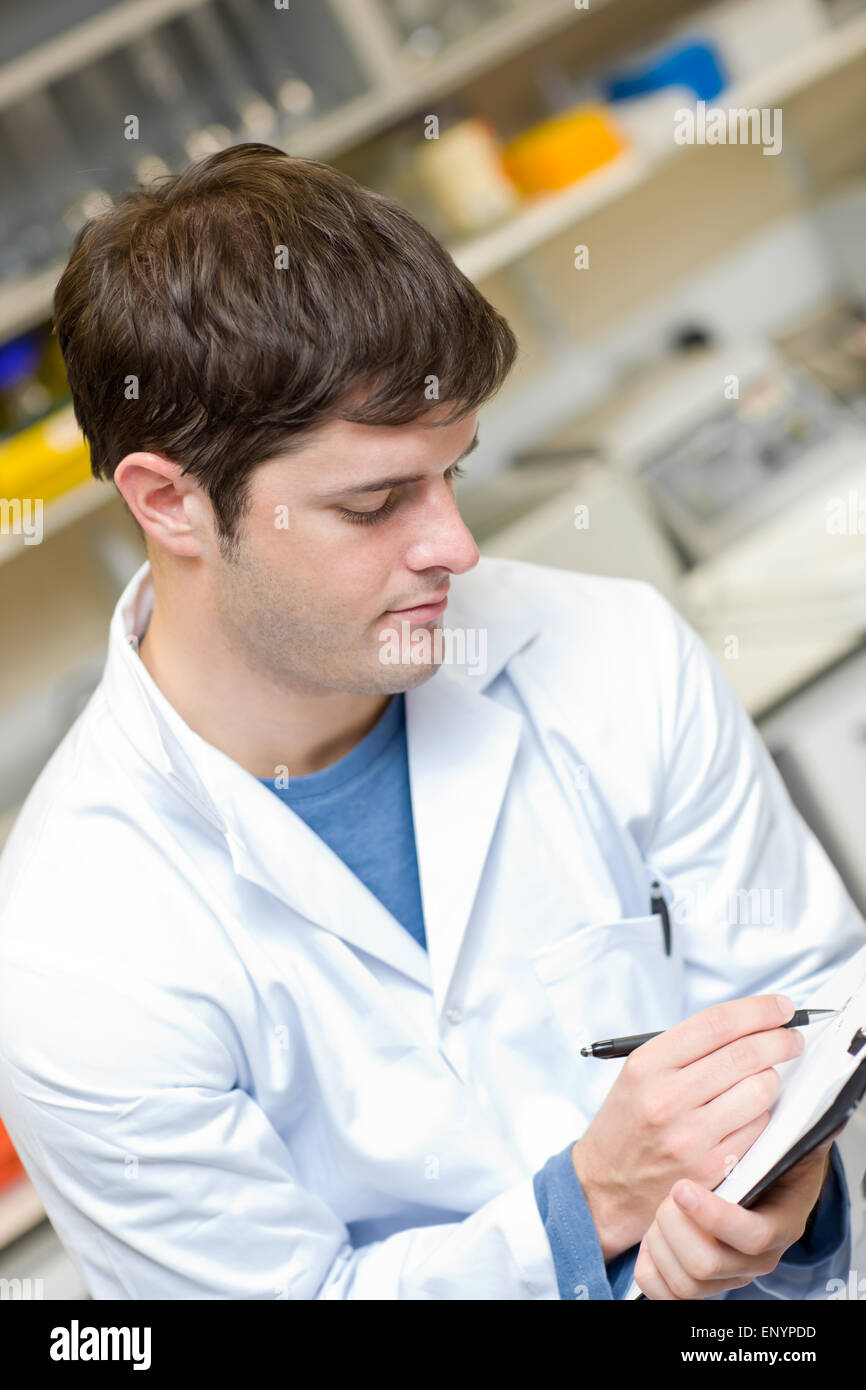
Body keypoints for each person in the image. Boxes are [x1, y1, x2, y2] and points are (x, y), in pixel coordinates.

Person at [0, 144, 861, 1301]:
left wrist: (777, 1201)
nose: (452, 544)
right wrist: (590, 1207)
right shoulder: (70, 945)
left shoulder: (612, 655)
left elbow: (808, 1012)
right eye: (373, 502)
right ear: (171, 502)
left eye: (453, 471)